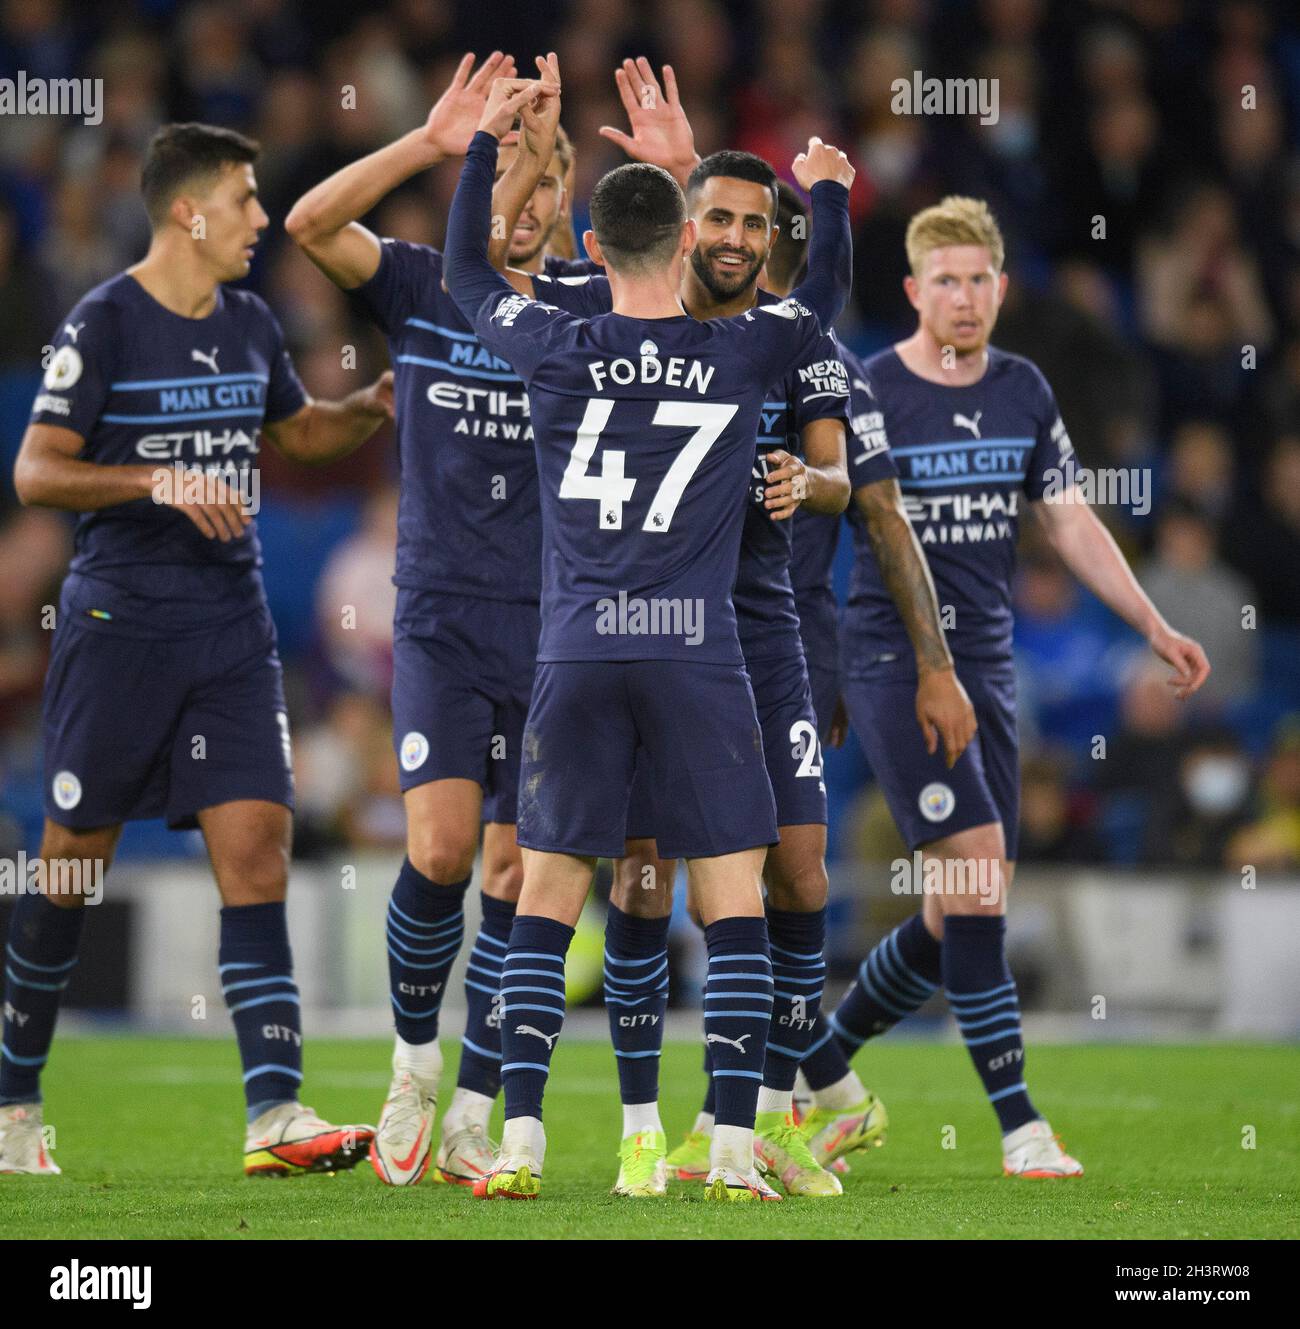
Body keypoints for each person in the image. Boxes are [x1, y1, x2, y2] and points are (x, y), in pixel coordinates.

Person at [493, 63, 969, 1197]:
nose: (736, 239)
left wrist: (805, 493)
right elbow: (562, 259)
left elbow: (846, 480)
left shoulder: (791, 341)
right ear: (681, 226)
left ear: (772, 241)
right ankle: (662, 1127)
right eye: (713, 216)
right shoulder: (620, 313)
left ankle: (759, 1112)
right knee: (650, 882)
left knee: (795, 874)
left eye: (758, 224)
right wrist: (654, 163)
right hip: (665, 630)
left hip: (769, 635)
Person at [444, 72, 855, 1202]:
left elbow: (466, 272)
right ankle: (728, 1148)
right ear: (685, 248)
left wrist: (482, 147)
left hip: (574, 653)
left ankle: (520, 1142)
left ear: (598, 247)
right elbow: (816, 303)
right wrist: (822, 199)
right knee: (729, 896)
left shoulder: (555, 348)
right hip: (695, 651)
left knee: (544, 896)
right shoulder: (745, 352)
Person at [1, 122, 392, 1178]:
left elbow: (296, 433)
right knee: (72, 867)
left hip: (229, 627)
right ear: (188, 210)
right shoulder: (106, 322)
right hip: (118, 627)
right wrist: (153, 479)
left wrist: (371, 407)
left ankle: (276, 1113)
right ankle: (12, 1102)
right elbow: (39, 471)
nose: (264, 220)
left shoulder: (253, 321)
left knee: (256, 852)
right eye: (248, 200)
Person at [798, 195, 1210, 1178]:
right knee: (978, 875)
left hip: (988, 667)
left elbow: (1067, 521)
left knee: (955, 916)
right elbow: (820, 524)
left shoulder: (1024, 389)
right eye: (944, 280)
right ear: (912, 291)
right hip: (897, 659)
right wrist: (823, 670)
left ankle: (814, 1066)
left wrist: (1151, 622)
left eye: (979, 279)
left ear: (1000, 287)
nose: (964, 296)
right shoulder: (866, 387)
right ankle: (1021, 1128)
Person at [285, 52, 588, 1188]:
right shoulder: (424, 282)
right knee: (442, 851)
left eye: (544, 179)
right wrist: (429, 141)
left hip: (558, 627)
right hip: (445, 619)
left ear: (566, 199)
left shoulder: (586, 306)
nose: (523, 198)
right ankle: (413, 1061)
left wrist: (657, 163)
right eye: (502, 173)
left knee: (517, 873)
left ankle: (470, 1099)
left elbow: (707, 296)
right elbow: (310, 223)